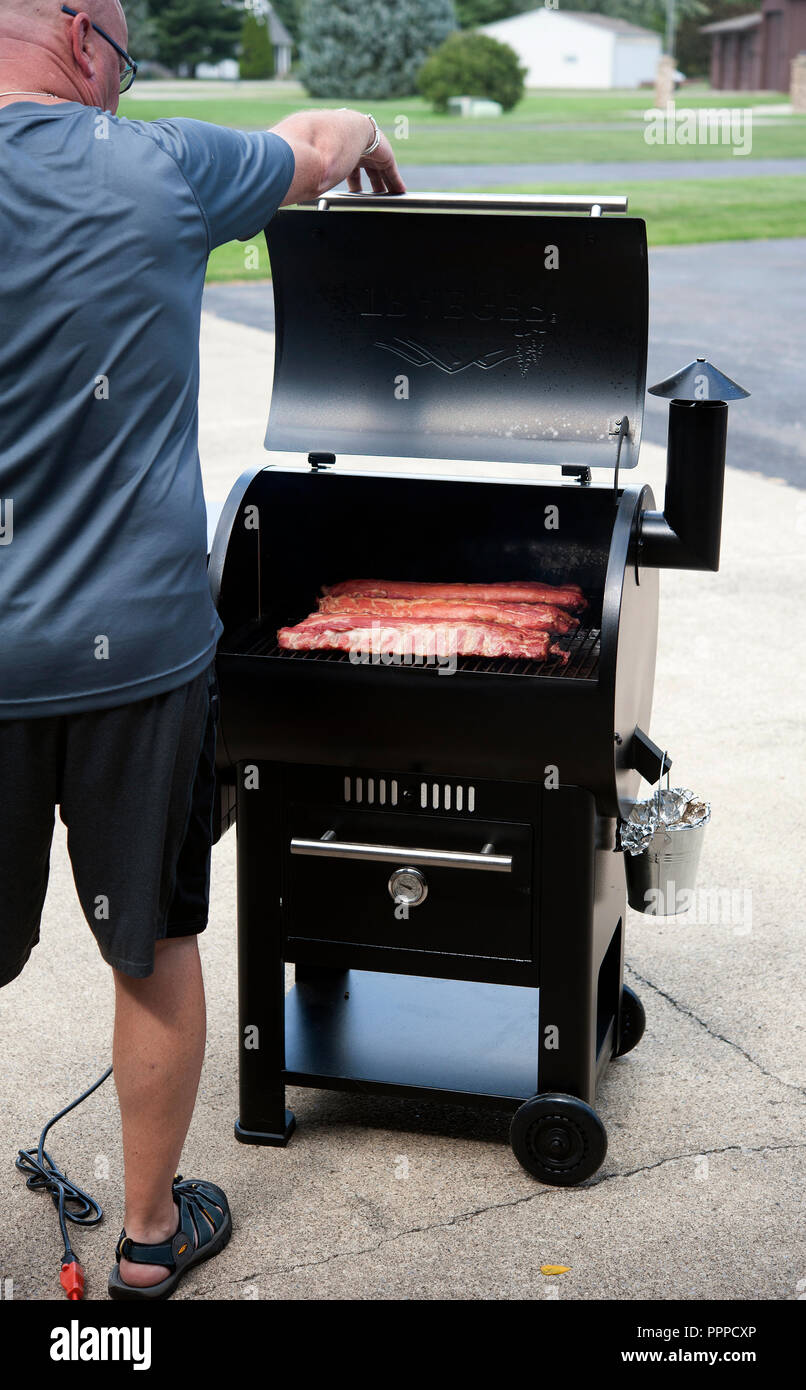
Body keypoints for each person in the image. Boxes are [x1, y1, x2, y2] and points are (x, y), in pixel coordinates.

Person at [0, 0, 405, 1300]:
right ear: (79, 35)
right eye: (119, 44)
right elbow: (319, 137)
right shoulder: (164, 170)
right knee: (153, 940)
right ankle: (149, 1239)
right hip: (141, 658)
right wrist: (369, 133)